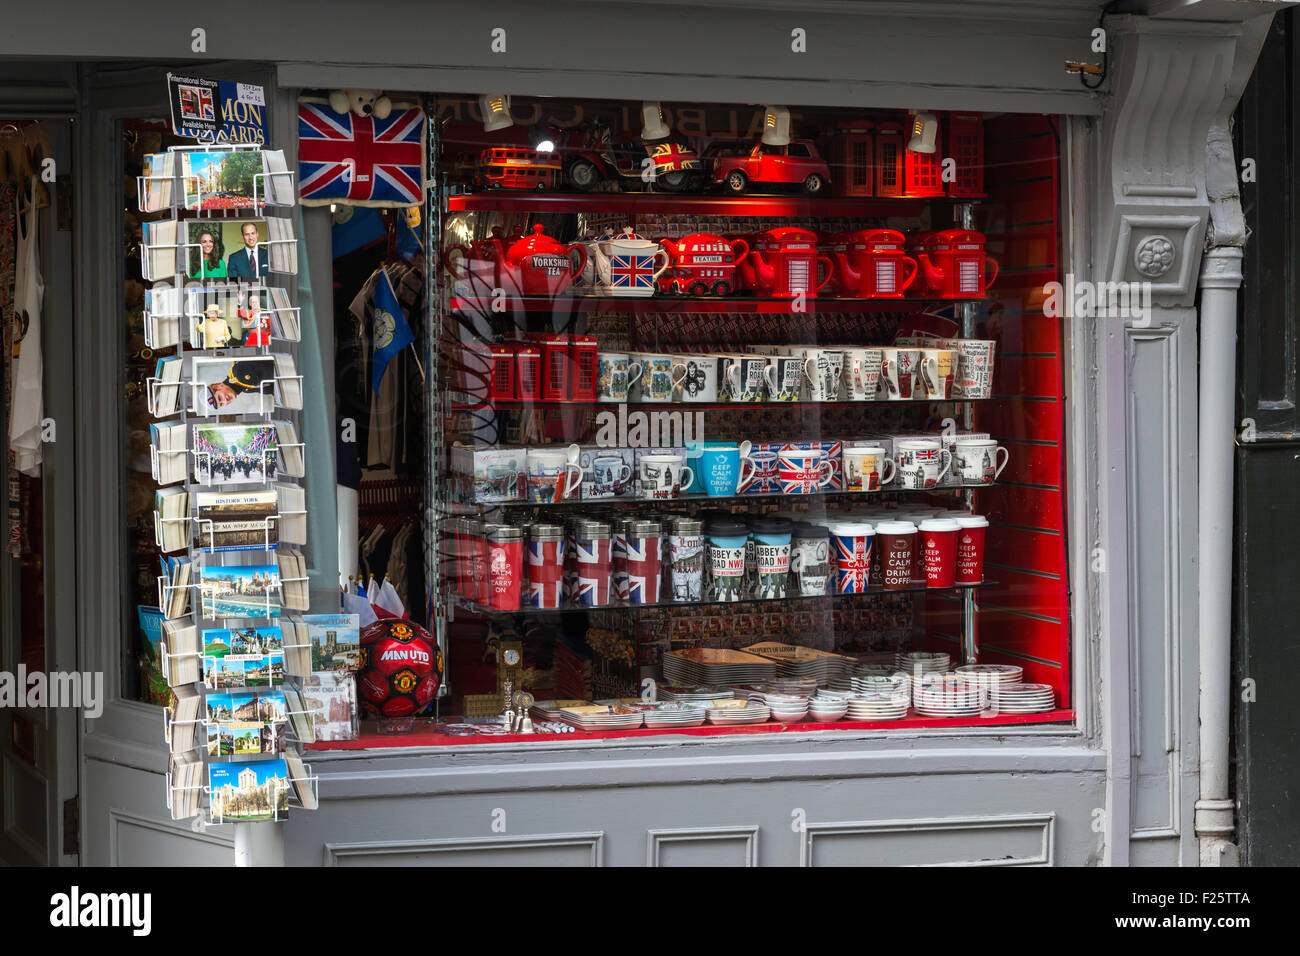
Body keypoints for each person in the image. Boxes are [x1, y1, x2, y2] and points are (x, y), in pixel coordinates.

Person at [206, 359, 275, 411]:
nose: (225, 401)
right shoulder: (244, 389)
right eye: (221, 404)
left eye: (220, 398)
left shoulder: (240, 374)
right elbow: (273, 390)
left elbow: (278, 373)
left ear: (217, 386)